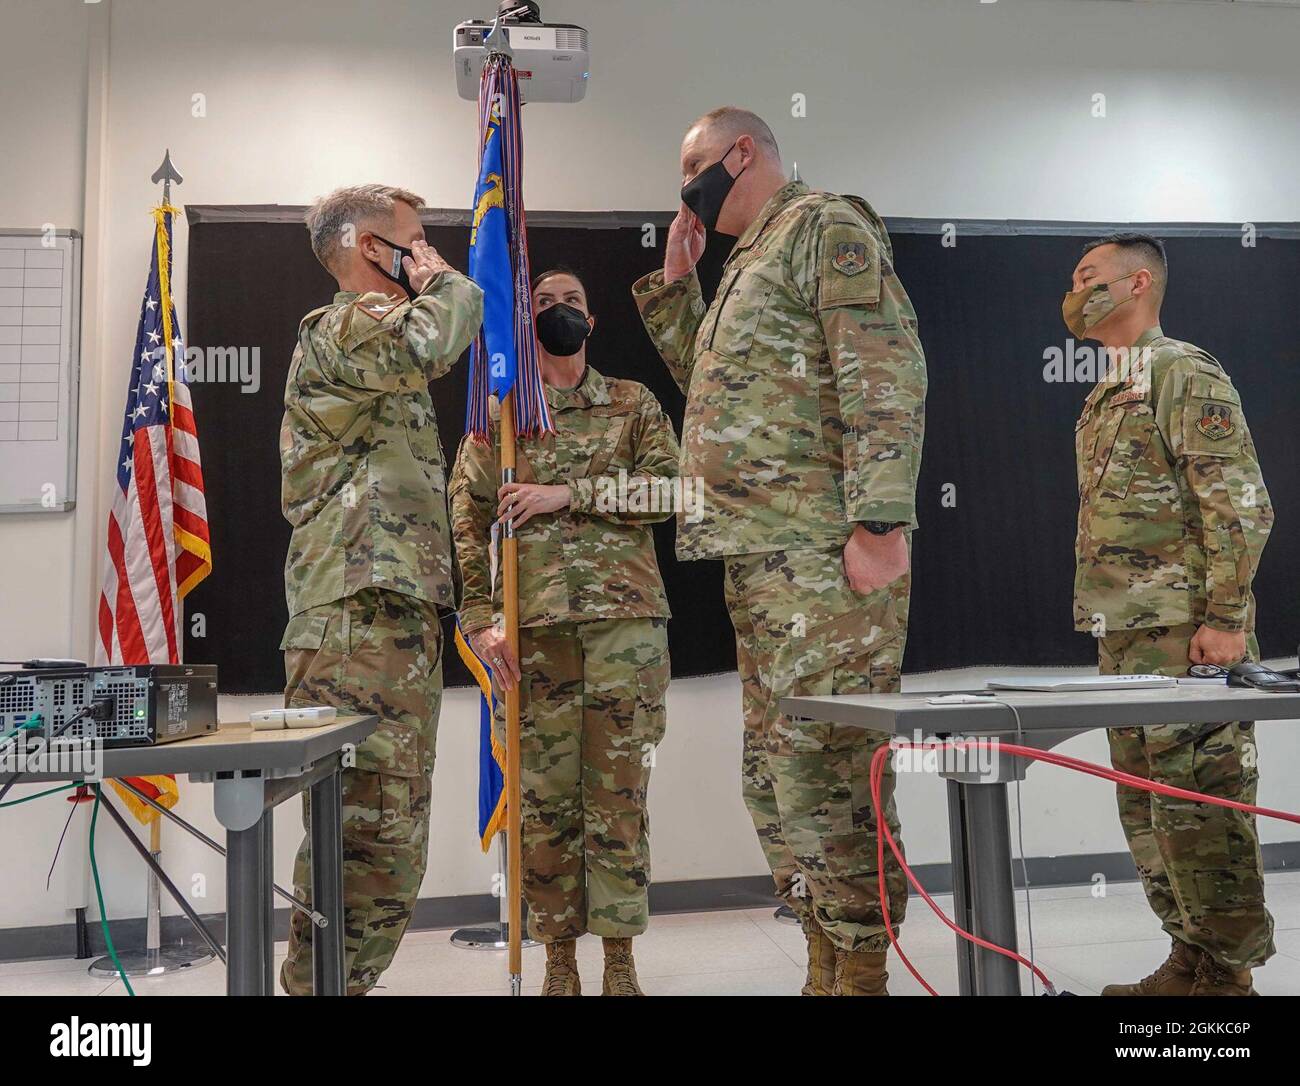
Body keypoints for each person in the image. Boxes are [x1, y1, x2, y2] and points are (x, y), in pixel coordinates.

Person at [631, 107, 927, 995]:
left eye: (693, 167)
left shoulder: (824, 225)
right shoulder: (743, 265)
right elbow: (721, 392)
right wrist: (678, 283)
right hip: (759, 555)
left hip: (819, 551)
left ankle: (863, 969)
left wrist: (878, 521)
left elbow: (882, 367)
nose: (686, 189)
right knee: (776, 773)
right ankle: (826, 960)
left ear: (742, 152)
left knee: (832, 764)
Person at [450, 267, 681, 996]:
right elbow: (464, 518)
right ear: (527, 324)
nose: (558, 312)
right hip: (534, 636)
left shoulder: (631, 403)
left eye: (571, 302)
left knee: (620, 799)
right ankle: (557, 960)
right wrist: (482, 620)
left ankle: (619, 961)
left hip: (625, 632)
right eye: (543, 305)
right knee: (546, 802)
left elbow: (676, 491)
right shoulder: (503, 415)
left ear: (593, 318)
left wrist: (569, 494)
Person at [278, 184, 483, 995]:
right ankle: (317, 991)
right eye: (415, 238)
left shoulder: (371, 343)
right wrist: (442, 274)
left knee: (384, 842)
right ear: (372, 248)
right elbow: (443, 329)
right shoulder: (342, 326)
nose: (426, 250)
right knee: (363, 843)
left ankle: (337, 988)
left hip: (388, 619)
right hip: (356, 619)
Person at [1067, 232, 1275, 997]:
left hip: (1187, 634)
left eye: (1088, 276)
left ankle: (1227, 975)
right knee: (1149, 808)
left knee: (1201, 806)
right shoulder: (1109, 387)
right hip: (1126, 637)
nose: (1074, 291)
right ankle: (1188, 956)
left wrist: (1225, 618)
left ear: (1138, 283)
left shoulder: (1180, 370)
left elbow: (1241, 504)